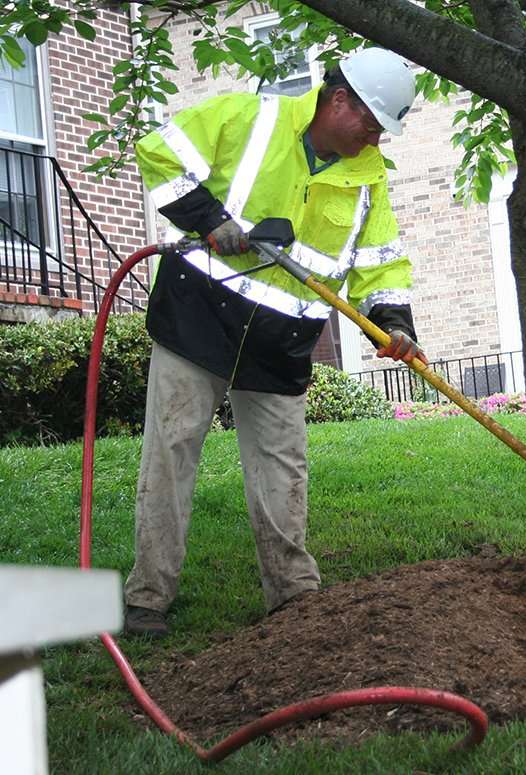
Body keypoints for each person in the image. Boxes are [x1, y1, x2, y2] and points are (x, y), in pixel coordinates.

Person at [123, 48, 427, 636]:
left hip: (281, 341)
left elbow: (380, 261)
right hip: (199, 319)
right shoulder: (249, 118)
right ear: (339, 100)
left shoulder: (368, 179)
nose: (375, 139)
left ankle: (293, 597)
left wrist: (395, 321)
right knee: (171, 451)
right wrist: (209, 218)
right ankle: (148, 599)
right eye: (371, 124)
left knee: (284, 469)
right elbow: (159, 152)